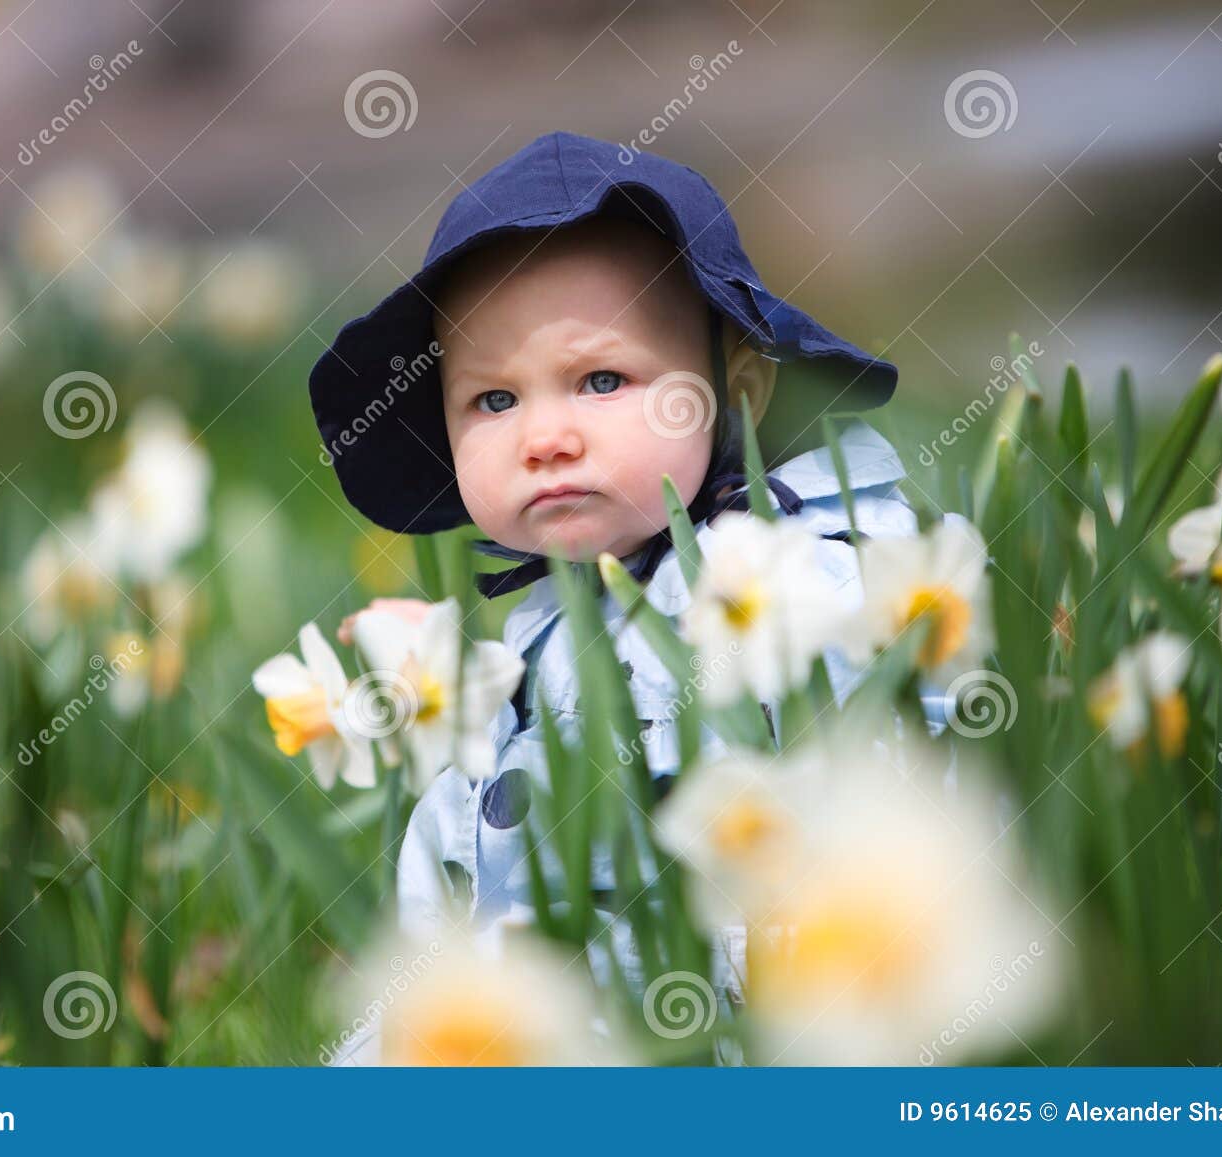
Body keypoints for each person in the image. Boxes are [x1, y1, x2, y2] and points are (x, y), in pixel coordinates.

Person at [307, 130, 944, 1063]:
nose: (545, 438)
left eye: (601, 380)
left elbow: (892, 800)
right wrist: (450, 686)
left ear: (739, 391)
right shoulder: (549, 623)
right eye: (493, 401)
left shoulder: (797, 581)